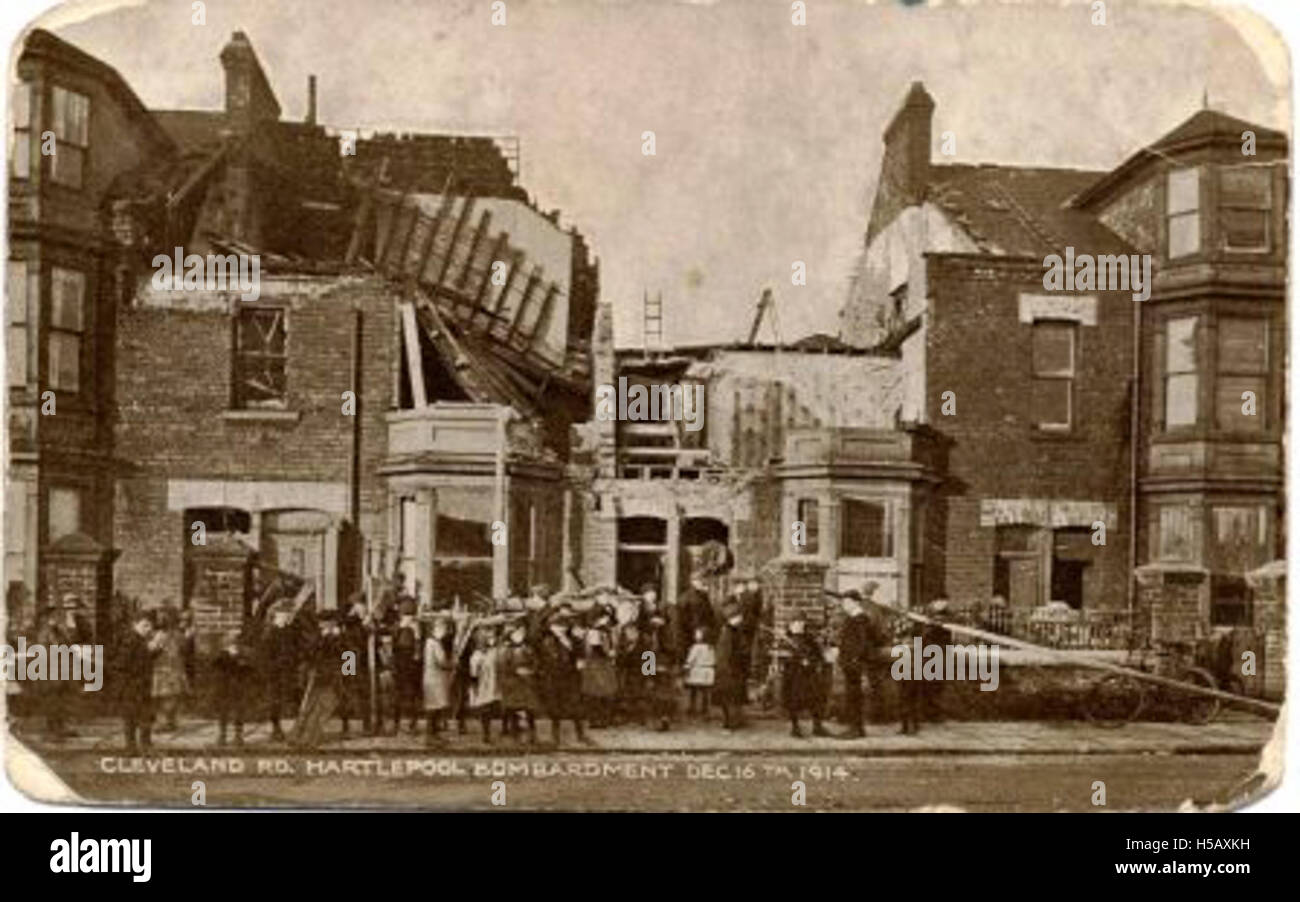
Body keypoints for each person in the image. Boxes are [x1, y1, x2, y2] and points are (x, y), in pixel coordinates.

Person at [537, 605, 591, 746]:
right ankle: (556, 736)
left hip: (570, 675)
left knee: (575, 705)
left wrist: (580, 660)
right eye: (557, 626)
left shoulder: (572, 639)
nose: (560, 629)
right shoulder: (547, 640)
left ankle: (580, 734)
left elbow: (580, 654)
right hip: (554, 675)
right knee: (556, 707)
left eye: (562, 626)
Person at [830, 586, 877, 739]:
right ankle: (856, 727)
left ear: (856, 603)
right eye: (844, 601)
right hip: (850, 662)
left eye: (847, 601)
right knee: (851, 694)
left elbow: (863, 643)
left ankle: (855, 728)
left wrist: (854, 658)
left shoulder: (860, 619)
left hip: (854, 663)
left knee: (854, 695)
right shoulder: (853, 618)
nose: (844, 604)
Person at [782, 619, 830, 738]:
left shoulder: (810, 640)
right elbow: (783, 657)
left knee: (816, 700)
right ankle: (795, 727)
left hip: (809, 676)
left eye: (800, 623)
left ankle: (817, 727)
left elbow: (819, 656)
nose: (798, 626)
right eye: (795, 623)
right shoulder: (786, 641)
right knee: (793, 700)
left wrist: (811, 661)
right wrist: (796, 660)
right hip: (794, 676)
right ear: (790, 626)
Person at [120, 611, 157, 754]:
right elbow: (124, 664)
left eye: (150, 626)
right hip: (132, 686)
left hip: (140, 685)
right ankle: (134, 747)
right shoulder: (131, 640)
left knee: (142, 716)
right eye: (145, 625)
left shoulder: (140, 640)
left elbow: (143, 661)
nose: (148, 629)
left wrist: (154, 652)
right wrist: (149, 651)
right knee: (133, 717)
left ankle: (139, 746)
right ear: (135, 625)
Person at [149, 606, 189, 733]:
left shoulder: (174, 635)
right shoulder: (158, 635)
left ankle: (169, 721)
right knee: (163, 696)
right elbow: (151, 650)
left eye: (165, 618)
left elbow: (182, 648)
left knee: (170, 696)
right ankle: (164, 721)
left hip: (172, 668)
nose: (162, 620)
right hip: (162, 668)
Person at [212, 629, 253, 747]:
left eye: (235, 639)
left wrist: (241, 660)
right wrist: (226, 655)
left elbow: (249, 668)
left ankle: (238, 735)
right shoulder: (220, 652)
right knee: (223, 710)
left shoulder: (244, 652)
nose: (232, 641)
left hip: (238, 684)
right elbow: (215, 665)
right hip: (224, 685)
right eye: (229, 639)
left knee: (238, 710)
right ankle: (222, 735)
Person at [498, 624, 538, 743]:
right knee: (512, 708)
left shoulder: (528, 649)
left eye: (521, 634)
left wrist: (531, 671)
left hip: (526, 683)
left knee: (529, 708)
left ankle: (532, 733)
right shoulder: (506, 650)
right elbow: (502, 666)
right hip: (512, 683)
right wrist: (515, 672)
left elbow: (535, 663)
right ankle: (513, 732)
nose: (519, 636)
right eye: (516, 634)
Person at [579, 614, 619, 728]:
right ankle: (596, 719)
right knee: (596, 693)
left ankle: (602, 719)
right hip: (597, 665)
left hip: (603, 665)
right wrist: (609, 653)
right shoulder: (594, 633)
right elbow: (595, 650)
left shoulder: (607, 633)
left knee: (604, 693)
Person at [713, 602, 748, 729]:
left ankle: (733, 720)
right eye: (739, 616)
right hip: (729, 670)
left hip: (734, 668)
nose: (741, 618)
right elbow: (725, 654)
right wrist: (728, 669)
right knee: (729, 697)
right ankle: (729, 722)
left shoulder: (734, 631)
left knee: (732, 697)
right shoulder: (727, 633)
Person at [422, 614, 454, 744]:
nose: (444, 632)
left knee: (437, 706)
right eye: (443, 628)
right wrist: (452, 664)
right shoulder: (433, 643)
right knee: (433, 707)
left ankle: (435, 734)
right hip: (434, 679)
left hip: (436, 678)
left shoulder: (434, 643)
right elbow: (441, 662)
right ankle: (430, 736)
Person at [392, 598, 423, 735]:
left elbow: (418, 647)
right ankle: (399, 723)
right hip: (402, 659)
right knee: (401, 693)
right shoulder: (399, 626)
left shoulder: (416, 626)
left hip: (409, 661)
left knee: (410, 694)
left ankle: (410, 723)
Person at [468, 626, 502, 743]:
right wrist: (475, 687)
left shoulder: (494, 651)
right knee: (485, 709)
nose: (491, 639)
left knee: (493, 707)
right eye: (488, 638)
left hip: (494, 683)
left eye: (492, 637)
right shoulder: (476, 656)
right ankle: (486, 734)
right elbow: (473, 674)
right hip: (483, 684)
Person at [683, 627, 715, 717]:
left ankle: (692, 707)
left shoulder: (696, 647)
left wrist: (687, 667)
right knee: (705, 691)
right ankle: (704, 709)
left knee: (694, 690)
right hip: (707, 671)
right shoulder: (710, 647)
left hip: (697, 670)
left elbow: (691, 659)